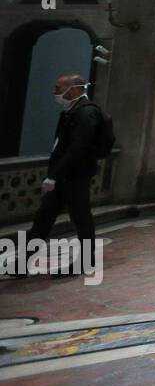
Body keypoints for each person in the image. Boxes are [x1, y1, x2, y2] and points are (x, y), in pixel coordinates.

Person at [28, 73, 101, 266]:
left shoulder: (86, 113)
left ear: (74, 89)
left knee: (80, 217)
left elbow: (78, 147)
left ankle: (86, 260)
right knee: (44, 218)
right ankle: (23, 262)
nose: (54, 92)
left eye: (58, 88)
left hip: (75, 175)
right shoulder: (73, 111)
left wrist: (54, 176)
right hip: (64, 175)